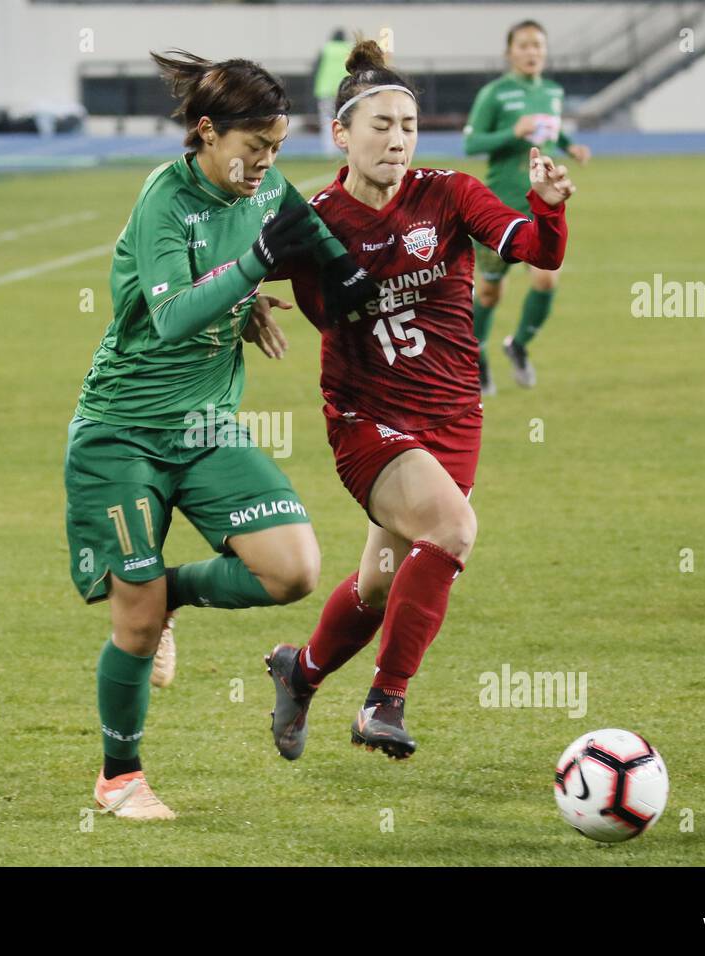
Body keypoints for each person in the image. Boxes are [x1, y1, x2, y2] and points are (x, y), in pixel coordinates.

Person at [65, 49, 375, 819]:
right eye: (254, 148)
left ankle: (164, 594)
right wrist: (254, 269)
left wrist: (359, 287)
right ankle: (119, 780)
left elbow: (331, 259)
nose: (266, 165)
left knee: (294, 569)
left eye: (276, 150)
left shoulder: (267, 188)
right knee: (131, 633)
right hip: (123, 433)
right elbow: (170, 316)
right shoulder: (163, 200)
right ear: (207, 132)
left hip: (206, 428)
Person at [257, 38, 574, 760]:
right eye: (381, 125)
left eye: (407, 125)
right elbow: (234, 265)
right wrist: (245, 298)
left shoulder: (451, 193)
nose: (397, 139)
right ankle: (382, 704)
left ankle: (298, 672)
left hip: (455, 414)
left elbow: (532, 248)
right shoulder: (313, 219)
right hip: (367, 418)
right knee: (454, 530)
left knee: (378, 584)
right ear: (341, 133)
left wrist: (548, 209)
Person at [463, 20, 589, 394]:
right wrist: (512, 132)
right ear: (510, 52)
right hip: (497, 210)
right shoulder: (495, 94)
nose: (532, 52)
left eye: (538, 45)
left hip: (542, 206)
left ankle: (517, 345)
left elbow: (552, 130)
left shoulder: (552, 91)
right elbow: (471, 144)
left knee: (546, 279)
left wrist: (570, 146)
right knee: (489, 293)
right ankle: (478, 354)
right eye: (524, 45)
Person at [313, 30, 353, 156]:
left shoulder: (326, 49)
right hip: (344, 90)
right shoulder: (349, 49)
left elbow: (316, 68)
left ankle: (329, 150)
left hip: (325, 90)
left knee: (326, 121)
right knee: (346, 120)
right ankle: (345, 147)